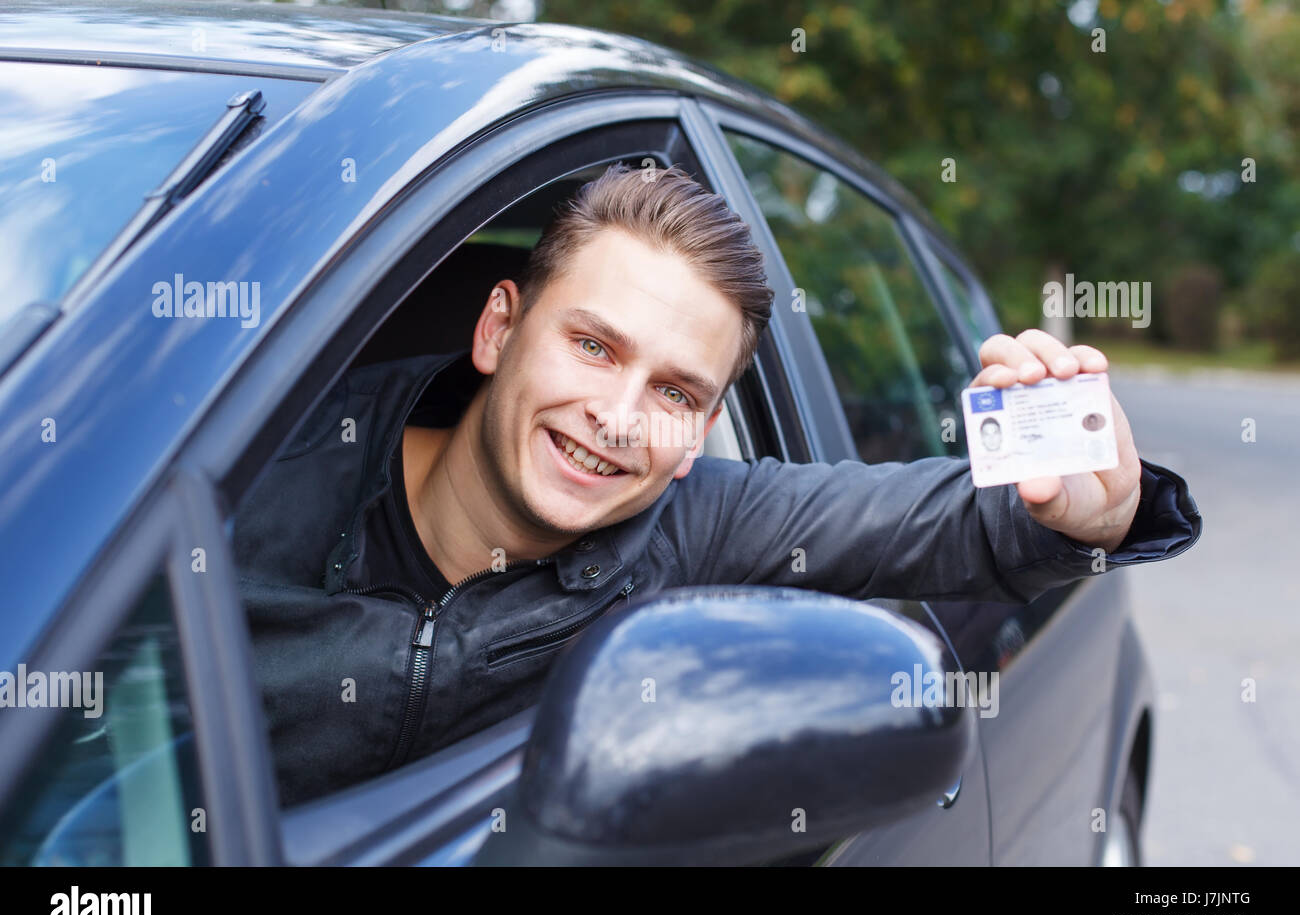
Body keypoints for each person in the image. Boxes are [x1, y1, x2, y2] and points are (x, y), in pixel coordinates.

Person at [231, 163, 1202, 807]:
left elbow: (932, 521)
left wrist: (1096, 511)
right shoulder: (238, 477)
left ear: (698, 432)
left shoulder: (692, 528)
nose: (616, 416)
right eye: (590, 344)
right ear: (496, 329)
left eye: (673, 390)